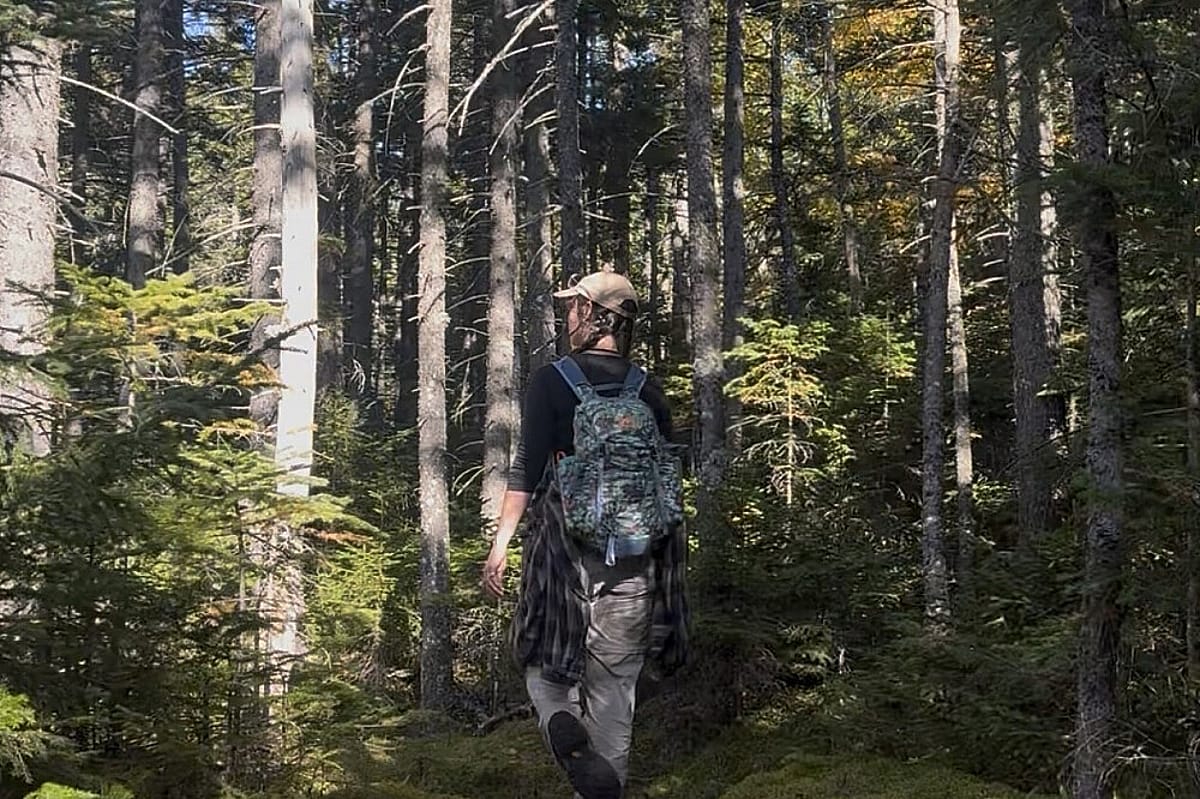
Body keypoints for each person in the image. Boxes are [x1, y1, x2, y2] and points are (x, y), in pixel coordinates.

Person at [481, 271, 688, 799]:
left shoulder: (552, 382)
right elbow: (668, 481)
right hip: (636, 563)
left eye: (574, 307)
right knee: (616, 693)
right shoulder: (649, 390)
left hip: (563, 560)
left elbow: (527, 469)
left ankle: (562, 729)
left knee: (544, 670)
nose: (567, 315)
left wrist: (501, 545)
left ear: (595, 315)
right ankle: (602, 785)